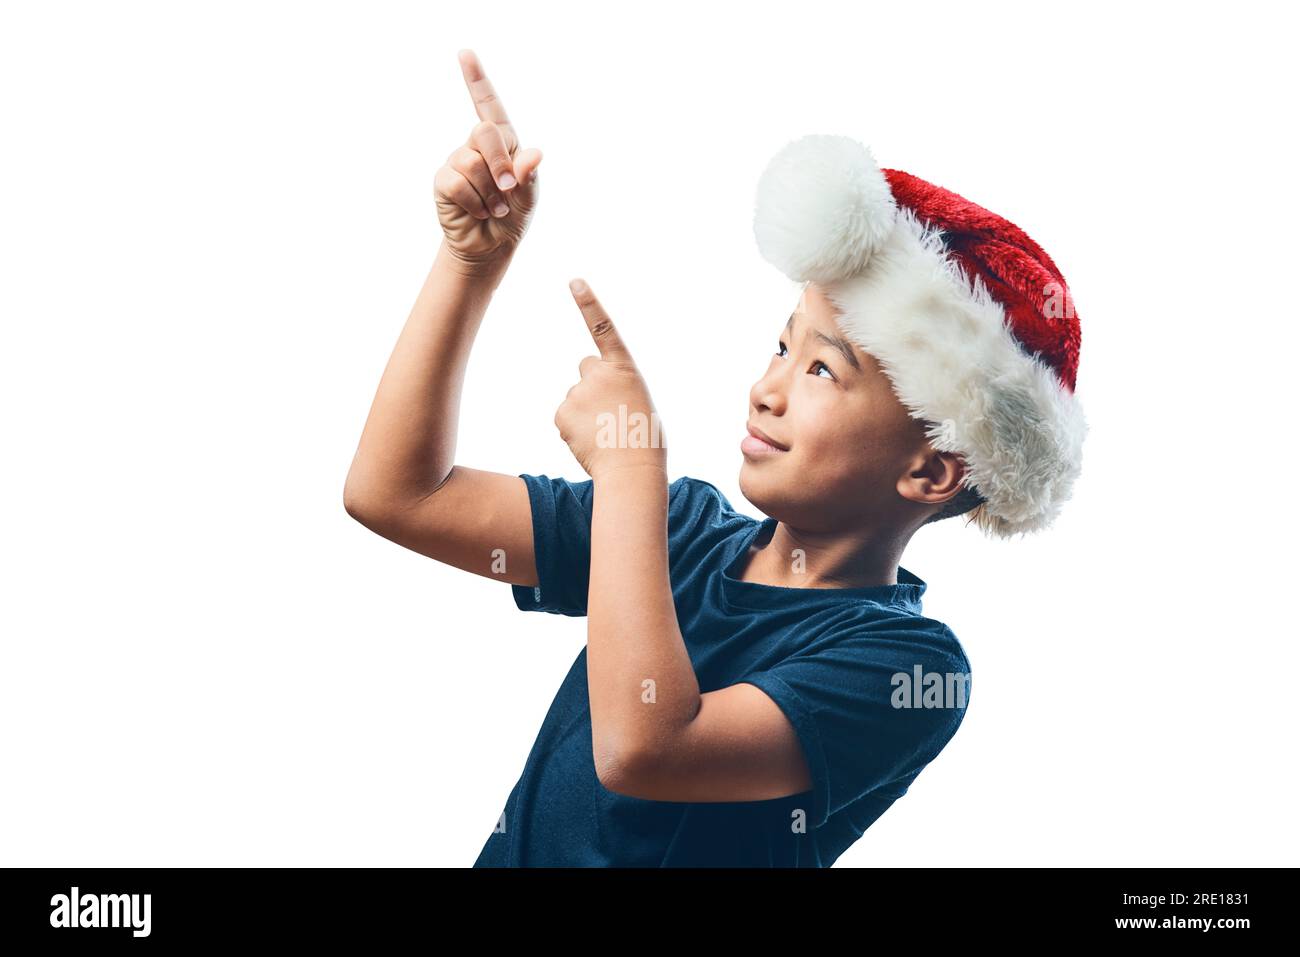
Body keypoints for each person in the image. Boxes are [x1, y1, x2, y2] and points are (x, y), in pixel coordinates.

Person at [343, 49, 1086, 867]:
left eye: (820, 369)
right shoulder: (680, 528)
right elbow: (395, 494)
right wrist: (469, 265)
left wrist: (628, 471)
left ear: (931, 469)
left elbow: (648, 747)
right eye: (779, 345)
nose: (765, 389)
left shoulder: (909, 668)